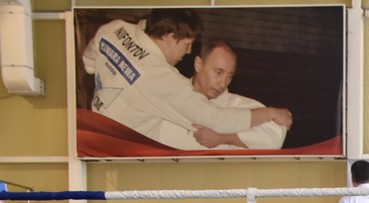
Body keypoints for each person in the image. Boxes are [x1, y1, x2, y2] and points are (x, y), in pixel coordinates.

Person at [80, 10, 292, 150]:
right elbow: (216, 119)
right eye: (186, 45)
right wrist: (272, 113)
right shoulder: (164, 80)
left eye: (229, 75)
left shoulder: (115, 28)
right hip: (114, 145)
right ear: (168, 37)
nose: (188, 51)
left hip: (100, 127)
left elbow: (88, 60)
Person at [156, 40, 289, 151]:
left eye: (229, 76)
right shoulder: (171, 93)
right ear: (198, 64)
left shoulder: (238, 105)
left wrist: (223, 138)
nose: (223, 83)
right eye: (219, 73)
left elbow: (274, 137)